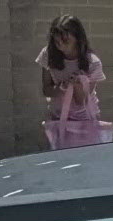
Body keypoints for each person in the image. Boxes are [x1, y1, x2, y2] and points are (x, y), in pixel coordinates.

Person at [37, 14, 106, 149]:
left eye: (65, 41)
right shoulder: (48, 55)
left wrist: (78, 85)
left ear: (77, 39)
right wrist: (63, 87)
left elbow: (81, 101)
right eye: (57, 42)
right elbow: (46, 90)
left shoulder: (93, 63)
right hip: (58, 118)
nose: (61, 46)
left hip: (85, 121)